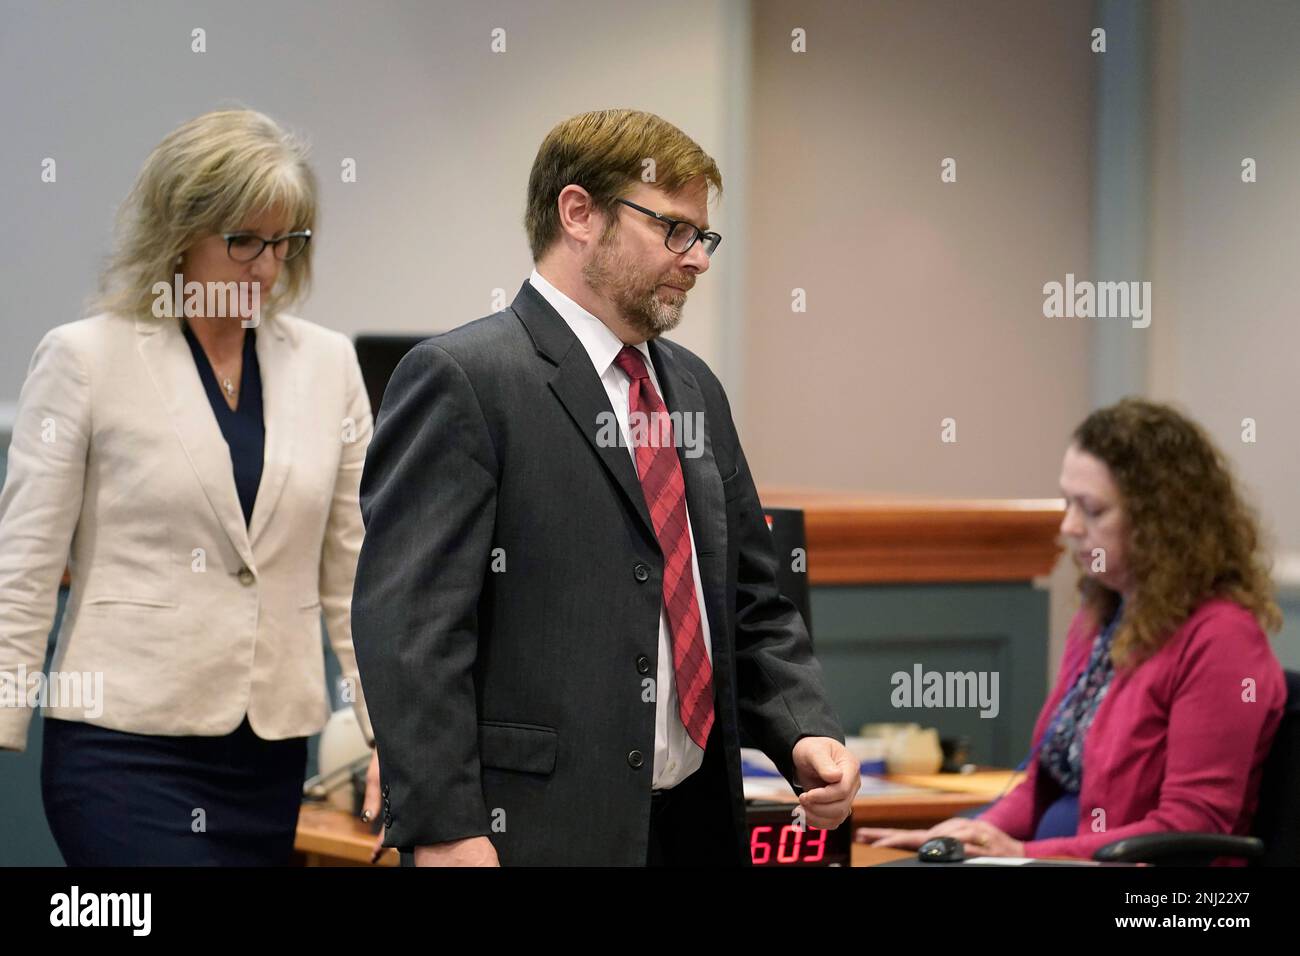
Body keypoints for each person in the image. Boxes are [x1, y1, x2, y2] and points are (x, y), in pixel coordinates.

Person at [351, 108, 860, 866]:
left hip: (694, 826)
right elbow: (411, 631)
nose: (697, 259)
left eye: (704, 236)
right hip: (528, 833)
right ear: (579, 213)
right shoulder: (465, 379)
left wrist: (803, 728)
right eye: (674, 229)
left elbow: (750, 599)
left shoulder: (694, 388)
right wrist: (444, 828)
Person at [0, 108, 380, 864]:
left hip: (268, 753)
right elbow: (26, 562)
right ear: (179, 233)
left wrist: (386, 730)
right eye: (243, 241)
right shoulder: (84, 358)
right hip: (122, 748)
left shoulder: (329, 364)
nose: (266, 267)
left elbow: (355, 574)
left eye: (284, 241)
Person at [860, 398, 1286, 861]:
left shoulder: (1223, 638)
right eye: (1068, 503)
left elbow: (1191, 825)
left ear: (1162, 522)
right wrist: (978, 832)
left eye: (1093, 510)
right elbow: (1042, 785)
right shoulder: (1102, 612)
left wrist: (1023, 852)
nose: (1069, 526)